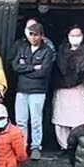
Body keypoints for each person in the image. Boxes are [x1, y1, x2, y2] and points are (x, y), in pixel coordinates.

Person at [12, 23, 55, 157]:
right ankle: (22, 146)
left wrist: (25, 71)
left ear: (42, 36)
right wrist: (33, 67)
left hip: (38, 90)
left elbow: (43, 72)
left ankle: (36, 146)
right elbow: (15, 66)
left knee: (36, 121)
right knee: (21, 121)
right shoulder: (23, 48)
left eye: (36, 35)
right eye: (31, 34)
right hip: (21, 89)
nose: (33, 37)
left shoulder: (47, 51)